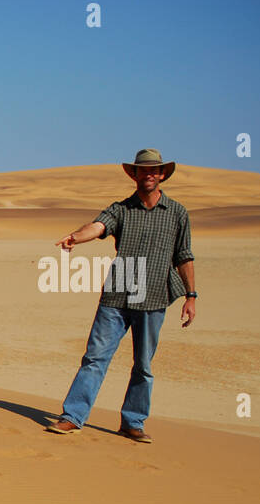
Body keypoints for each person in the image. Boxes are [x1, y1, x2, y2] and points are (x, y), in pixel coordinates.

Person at [47, 148, 198, 443]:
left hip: (153, 298)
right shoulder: (121, 209)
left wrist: (191, 296)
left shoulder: (177, 213)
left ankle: (133, 422)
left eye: (154, 170)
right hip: (116, 297)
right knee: (95, 358)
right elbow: (98, 225)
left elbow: (184, 256)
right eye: (144, 170)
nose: (149, 174)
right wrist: (76, 236)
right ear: (135, 175)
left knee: (143, 365)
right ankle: (72, 417)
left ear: (162, 174)